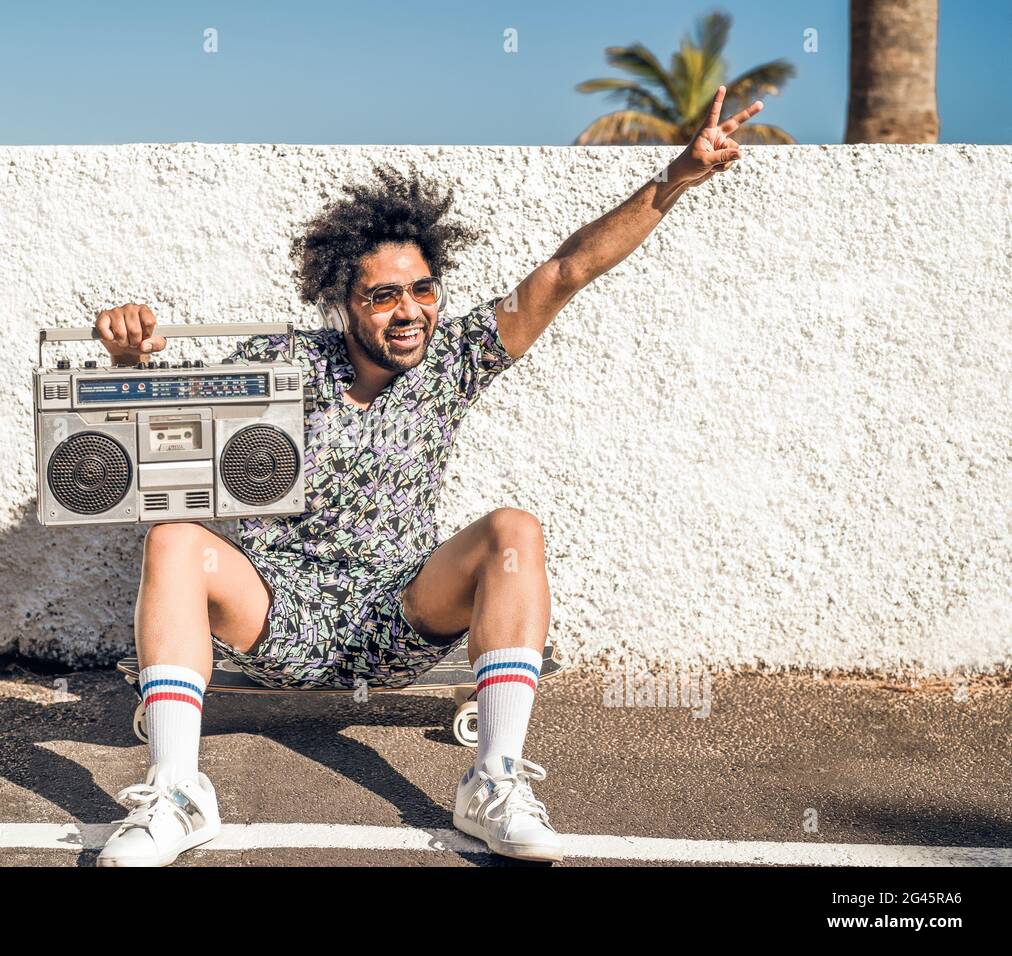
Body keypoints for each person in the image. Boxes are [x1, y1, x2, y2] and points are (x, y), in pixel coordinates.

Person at [92, 86, 761, 867]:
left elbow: (568, 269)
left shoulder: (452, 362)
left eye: (422, 289)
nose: (408, 311)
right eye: (382, 296)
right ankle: (177, 794)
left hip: (401, 617)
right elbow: (158, 441)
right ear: (342, 302)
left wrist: (674, 180)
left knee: (515, 530)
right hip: (276, 616)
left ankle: (494, 783)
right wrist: (130, 362)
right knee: (174, 538)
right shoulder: (281, 365)